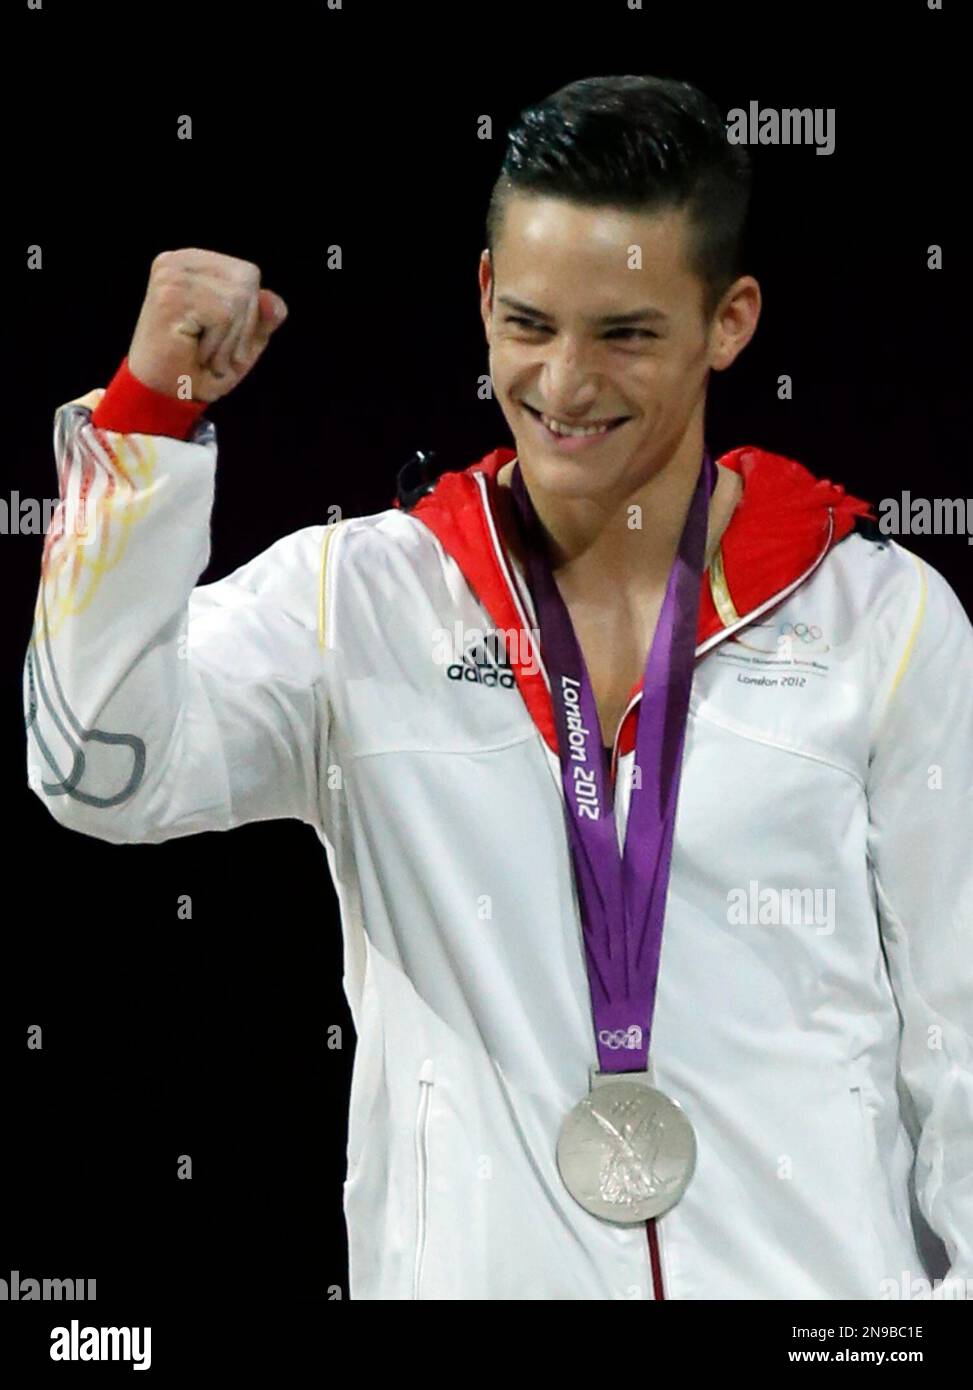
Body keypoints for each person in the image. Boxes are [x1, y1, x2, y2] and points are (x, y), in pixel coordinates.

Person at [24, 75, 972, 1301]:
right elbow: (95, 769)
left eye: (625, 333)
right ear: (482, 297)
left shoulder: (882, 624)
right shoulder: (354, 607)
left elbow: (962, 1028)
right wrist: (147, 422)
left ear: (728, 321)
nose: (565, 386)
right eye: (529, 324)